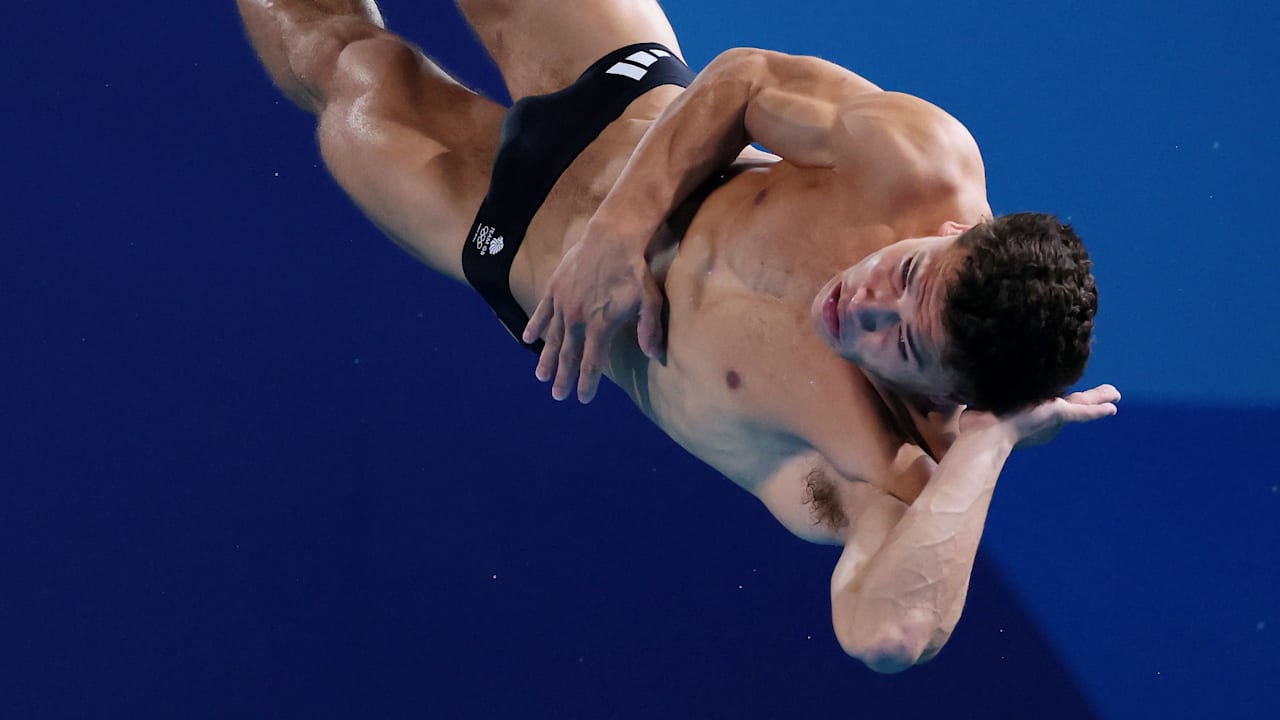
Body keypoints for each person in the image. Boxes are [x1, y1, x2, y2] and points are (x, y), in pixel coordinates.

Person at [236, 0, 1120, 673]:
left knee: (345, 66)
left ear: (952, 394)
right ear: (963, 234)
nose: (864, 305)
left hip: (511, 236)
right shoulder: (922, 166)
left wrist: (989, 447)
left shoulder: (880, 472)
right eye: (910, 275)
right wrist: (621, 231)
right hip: (629, 92)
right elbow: (741, 81)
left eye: (899, 343)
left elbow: (888, 634)